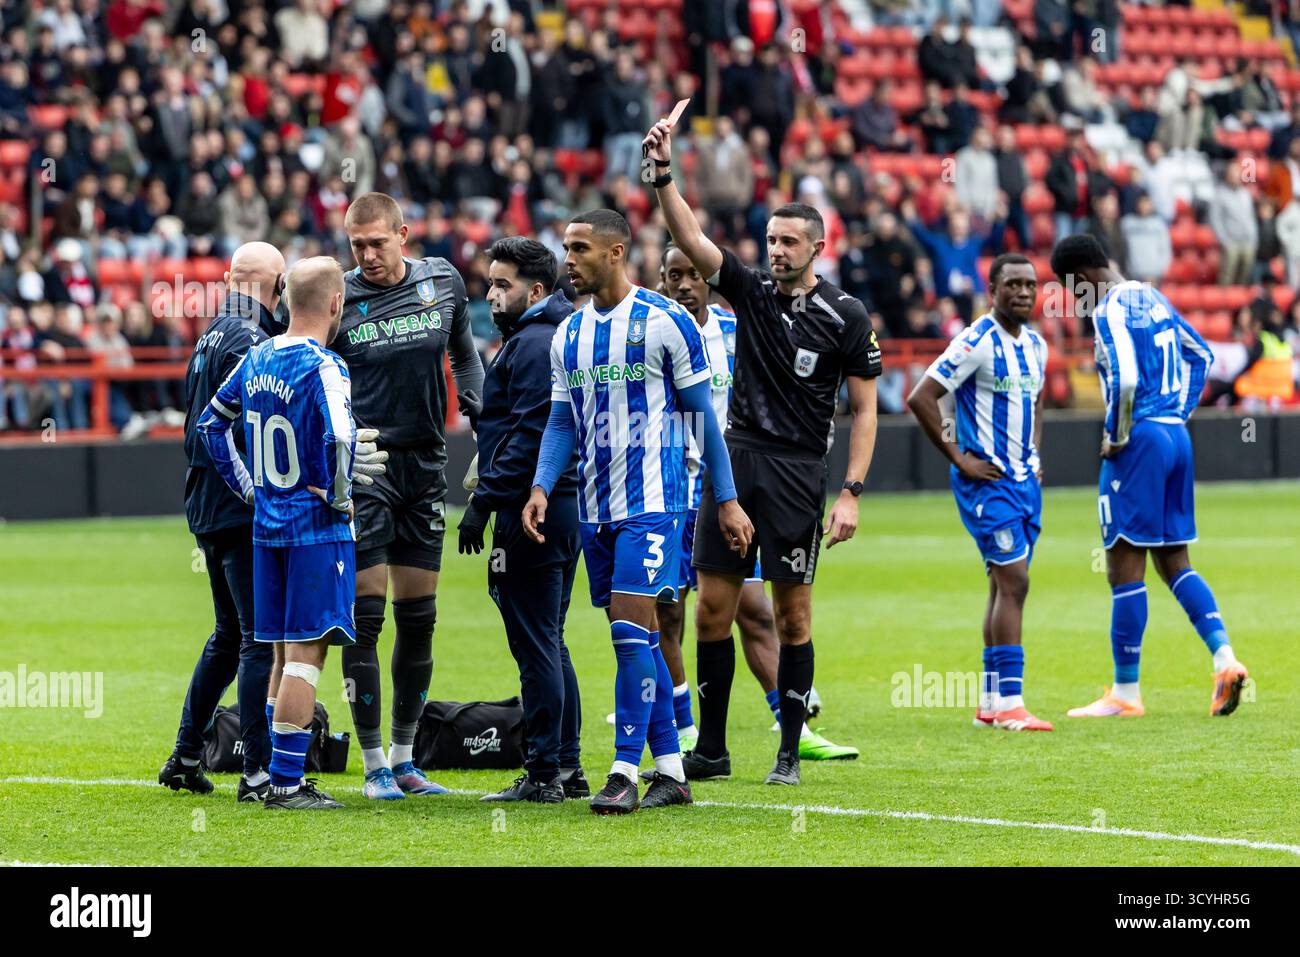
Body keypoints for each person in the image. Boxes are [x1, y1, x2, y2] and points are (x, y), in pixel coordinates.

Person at [644, 116, 882, 787]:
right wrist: (663, 173)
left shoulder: (846, 316)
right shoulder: (746, 290)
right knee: (713, 610)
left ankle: (788, 750)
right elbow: (689, 234)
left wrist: (851, 491)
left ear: (817, 245)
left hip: (800, 472)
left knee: (791, 614)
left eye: (788, 241)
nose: (775, 250)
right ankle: (712, 750)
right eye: (771, 239)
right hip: (736, 461)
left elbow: (863, 409)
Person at [522, 209, 754, 813]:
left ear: (616, 251)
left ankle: (625, 770)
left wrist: (725, 499)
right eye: (565, 248)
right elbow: (561, 420)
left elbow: (702, 416)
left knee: (630, 634)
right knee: (641, 636)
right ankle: (672, 771)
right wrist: (543, 485)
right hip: (598, 508)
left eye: (579, 248)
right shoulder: (569, 334)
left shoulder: (665, 321)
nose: (567, 259)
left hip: (655, 502)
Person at [654, 244, 856, 764]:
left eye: (692, 274)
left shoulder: (738, 327)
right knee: (672, 615)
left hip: (739, 489)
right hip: (673, 494)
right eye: (672, 276)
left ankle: (789, 725)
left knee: (758, 613)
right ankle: (686, 729)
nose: (683, 284)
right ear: (660, 281)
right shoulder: (652, 334)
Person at [1049, 234, 1249, 719]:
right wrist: (1176, 414)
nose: (1074, 302)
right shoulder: (1153, 297)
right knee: (1175, 560)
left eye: (1071, 289)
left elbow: (1126, 378)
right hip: (1176, 438)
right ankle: (1225, 660)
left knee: (1122, 564)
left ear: (1082, 277)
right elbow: (1201, 355)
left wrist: (1118, 436)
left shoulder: (1110, 309)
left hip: (1139, 441)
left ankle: (1125, 692)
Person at [334, 192, 485, 801]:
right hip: (366, 467)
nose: (367, 256)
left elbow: (465, 360)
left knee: (419, 619)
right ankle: (372, 764)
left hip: (425, 464)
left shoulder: (442, 282)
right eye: (356, 246)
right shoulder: (337, 297)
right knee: (365, 618)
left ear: (403, 234)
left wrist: (486, 432)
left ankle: (404, 758)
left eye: (377, 243)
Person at [197, 256, 359, 809]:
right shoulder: (325, 366)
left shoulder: (257, 356)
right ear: (335, 303)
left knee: (279, 652)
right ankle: (287, 783)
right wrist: (340, 498)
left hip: (266, 528)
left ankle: (265, 772)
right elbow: (340, 439)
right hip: (315, 530)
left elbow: (210, 424)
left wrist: (249, 488)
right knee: (305, 655)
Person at [463, 238, 588, 804]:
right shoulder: (543, 337)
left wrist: (482, 502)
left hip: (533, 510)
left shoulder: (536, 344)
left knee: (537, 643)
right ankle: (568, 765)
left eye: (503, 285)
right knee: (550, 641)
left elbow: (532, 438)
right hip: (562, 505)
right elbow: (520, 425)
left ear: (536, 290)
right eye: (489, 283)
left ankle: (543, 773)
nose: (491, 294)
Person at [159, 242, 285, 801]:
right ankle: (257, 772)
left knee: (229, 635)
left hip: (206, 504)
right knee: (257, 637)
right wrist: (255, 494)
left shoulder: (212, 332)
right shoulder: (251, 340)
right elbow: (232, 428)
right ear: (277, 285)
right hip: (236, 507)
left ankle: (186, 755)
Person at [907, 254, 1053, 732]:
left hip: (1024, 481)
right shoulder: (976, 340)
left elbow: (1037, 401)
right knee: (1016, 582)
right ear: (992, 290)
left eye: (1030, 285)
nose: (1024, 293)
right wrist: (959, 457)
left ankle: (991, 702)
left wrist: (1034, 452)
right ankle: (1012, 701)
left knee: (1001, 583)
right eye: (1013, 284)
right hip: (986, 484)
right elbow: (922, 397)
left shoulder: (1035, 345)